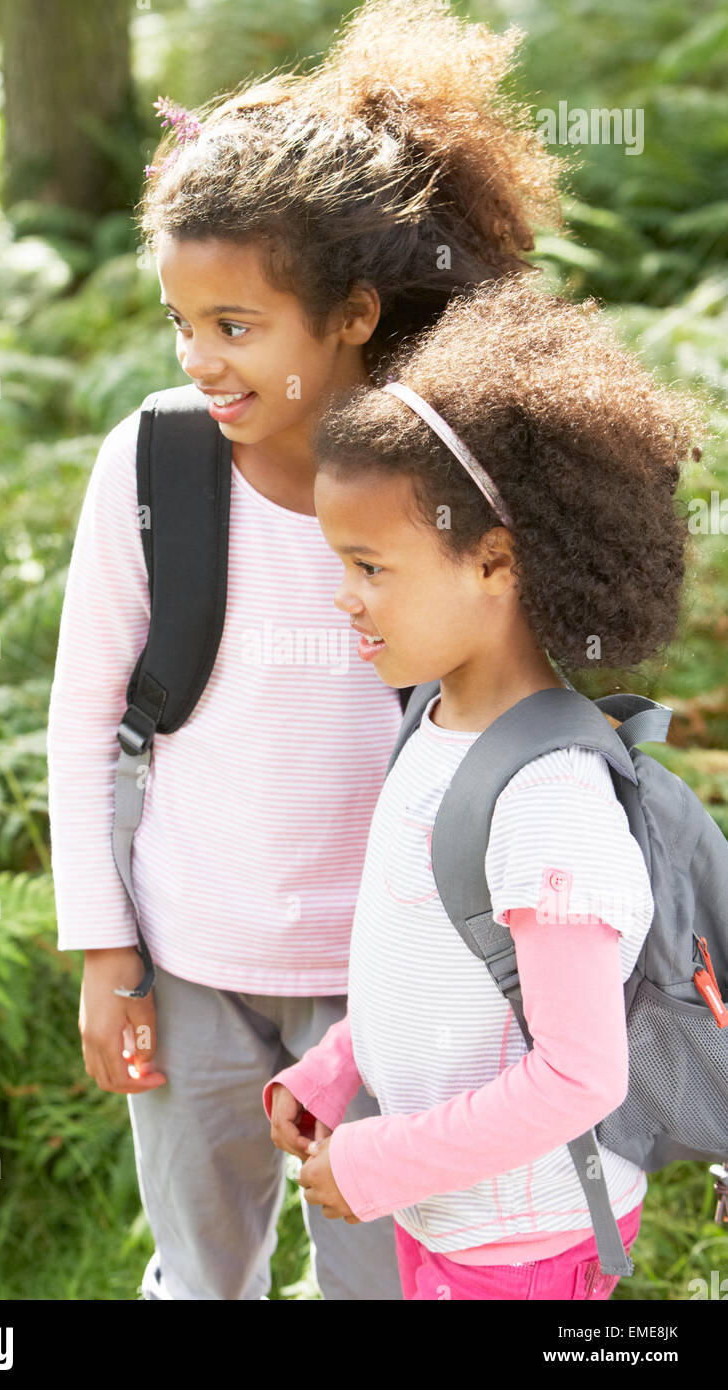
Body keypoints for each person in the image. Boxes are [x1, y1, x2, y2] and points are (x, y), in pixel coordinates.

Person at [47, 0, 565, 1300]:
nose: (200, 358)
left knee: (382, 1276)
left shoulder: (439, 470)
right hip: (186, 956)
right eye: (180, 321)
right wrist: (105, 956)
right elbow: (83, 716)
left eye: (238, 325)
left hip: (389, 968)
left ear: (348, 313)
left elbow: (509, 714)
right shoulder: (154, 462)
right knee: (199, 1269)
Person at [265, 275, 704, 1300]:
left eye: (370, 565)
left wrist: (376, 1163)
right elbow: (431, 971)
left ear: (495, 563)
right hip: (452, 1216)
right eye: (340, 562)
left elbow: (579, 1076)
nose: (344, 595)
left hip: (526, 1239)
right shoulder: (432, 724)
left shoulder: (547, 800)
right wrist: (337, 1069)